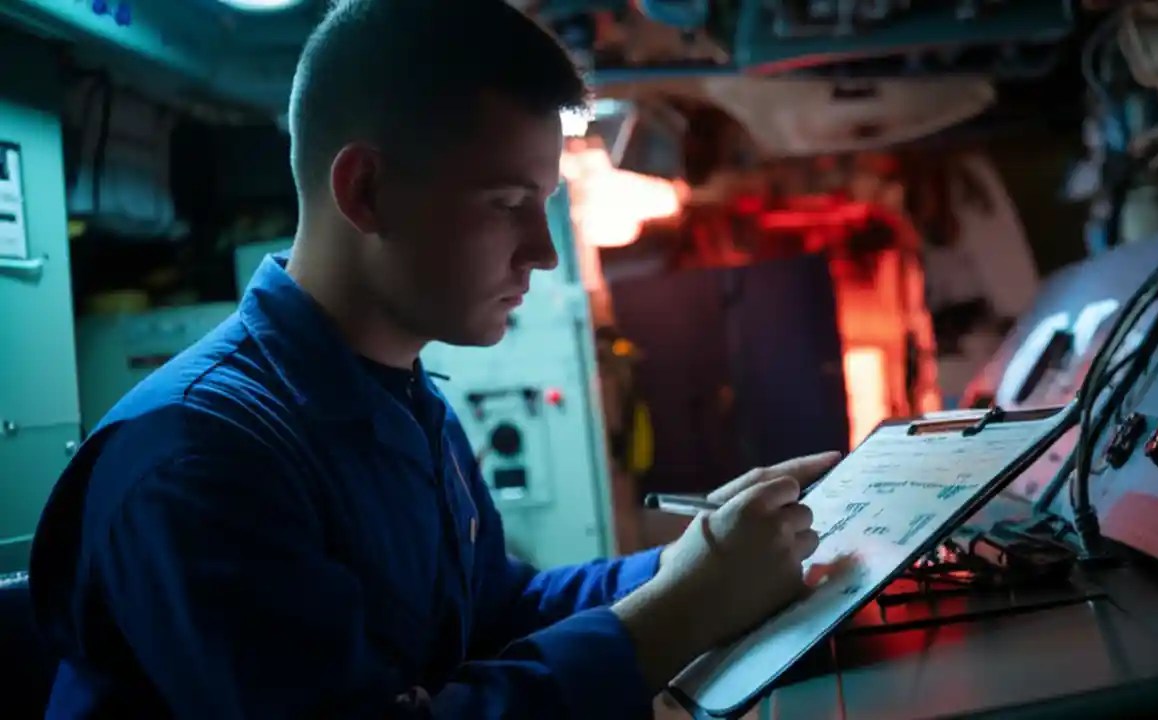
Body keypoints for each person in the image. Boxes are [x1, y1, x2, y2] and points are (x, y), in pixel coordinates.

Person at [28, 1, 840, 717]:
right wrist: (680, 611)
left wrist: (699, 559)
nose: (542, 253)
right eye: (507, 203)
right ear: (366, 191)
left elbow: (498, 612)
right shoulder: (197, 459)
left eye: (542, 205)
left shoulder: (404, 402)